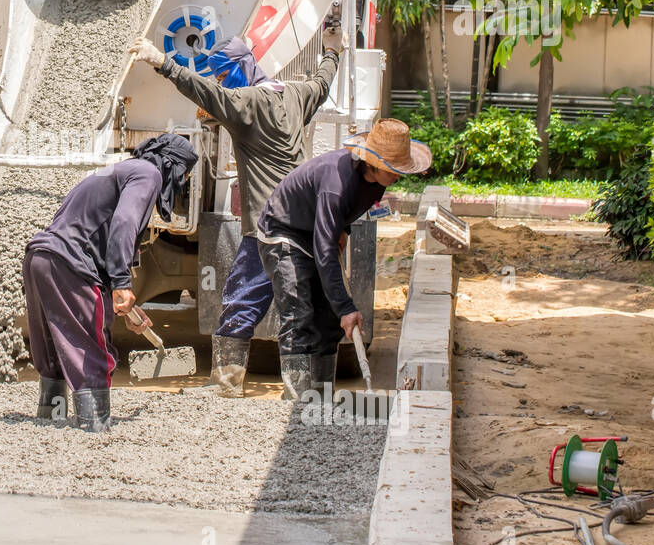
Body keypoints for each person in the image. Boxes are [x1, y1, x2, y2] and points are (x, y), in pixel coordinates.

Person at [129, 25, 344, 396]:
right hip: (308, 222)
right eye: (221, 77)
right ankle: (314, 392)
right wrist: (332, 52)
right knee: (310, 301)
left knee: (243, 296)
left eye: (225, 73)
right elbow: (322, 83)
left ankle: (227, 382)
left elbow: (203, 90)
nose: (223, 82)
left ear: (244, 64)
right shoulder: (295, 94)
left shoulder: (244, 103)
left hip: (270, 223)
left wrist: (161, 61)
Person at [23, 134, 199, 432]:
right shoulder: (149, 174)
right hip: (69, 264)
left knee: (53, 349)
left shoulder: (117, 170)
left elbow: (92, 230)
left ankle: (50, 421)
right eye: (183, 176)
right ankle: (94, 427)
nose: (180, 183)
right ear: (172, 165)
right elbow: (123, 223)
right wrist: (120, 284)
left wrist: (127, 306)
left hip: (40, 258)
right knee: (91, 347)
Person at [256, 118, 432, 398]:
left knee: (327, 319)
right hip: (284, 233)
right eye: (393, 169)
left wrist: (344, 229)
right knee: (299, 314)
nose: (398, 175)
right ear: (373, 164)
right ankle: (296, 399)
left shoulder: (377, 182)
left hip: (317, 230)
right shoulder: (336, 183)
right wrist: (348, 308)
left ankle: (321, 395)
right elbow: (324, 249)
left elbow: (342, 218)